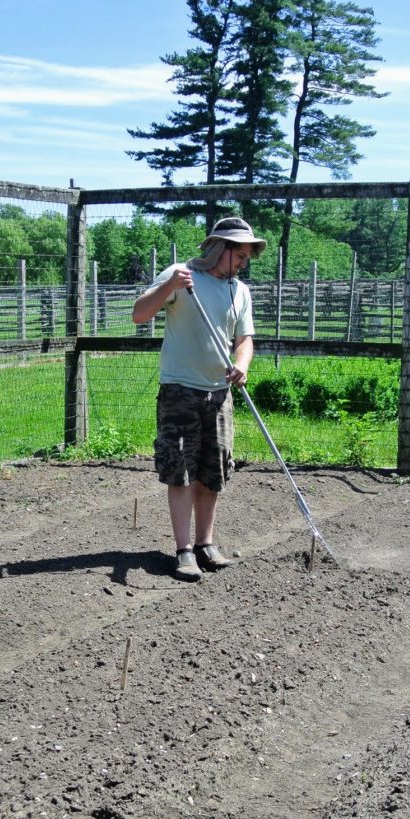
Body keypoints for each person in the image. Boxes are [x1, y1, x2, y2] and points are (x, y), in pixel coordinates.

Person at [132, 216, 266, 581]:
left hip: (218, 394)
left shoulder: (239, 291)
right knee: (181, 471)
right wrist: (169, 286)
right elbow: (139, 314)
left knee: (213, 470)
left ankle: (206, 544)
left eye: (247, 256)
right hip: (180, 390)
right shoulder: (181, 275)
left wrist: (242, 365)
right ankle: (184, 551)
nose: (244, 262)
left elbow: (244, 340)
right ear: (221, 248)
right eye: (240, 255)